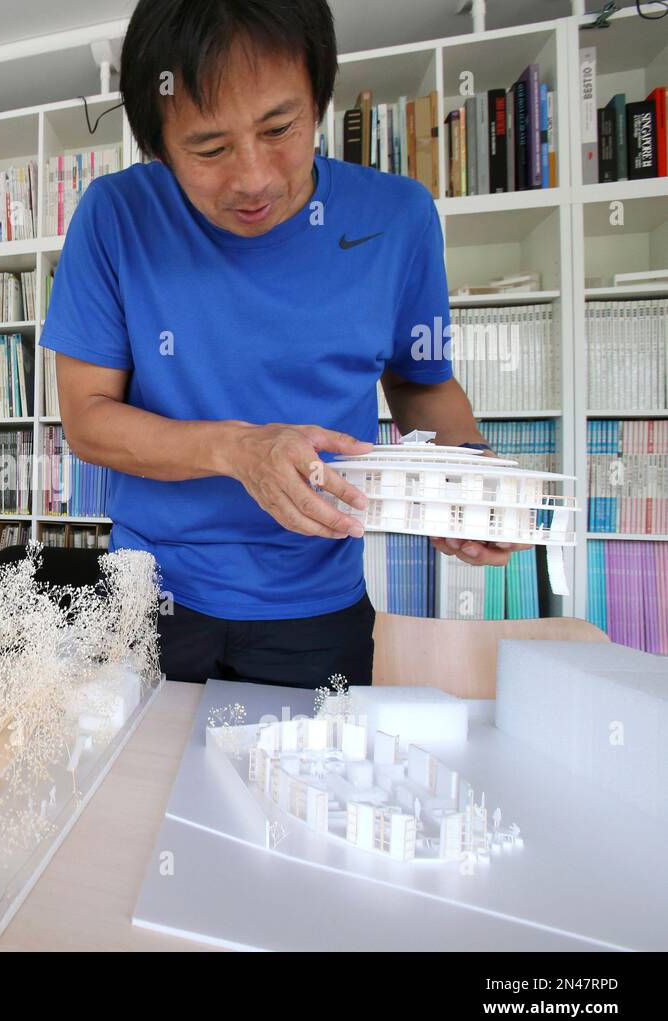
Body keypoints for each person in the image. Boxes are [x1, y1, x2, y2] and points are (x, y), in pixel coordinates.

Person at [39, 0, 529, 688]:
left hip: (317, 605)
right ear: (156, 146)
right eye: (209, 150)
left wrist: (465, 478)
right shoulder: (116, 216)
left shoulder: (399, 217)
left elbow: (420, 380)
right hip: (148, 596)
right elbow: (88, 418)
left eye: (281, 127)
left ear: (319, 98)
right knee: (140, 793)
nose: (255, 178)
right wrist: (240, 452)